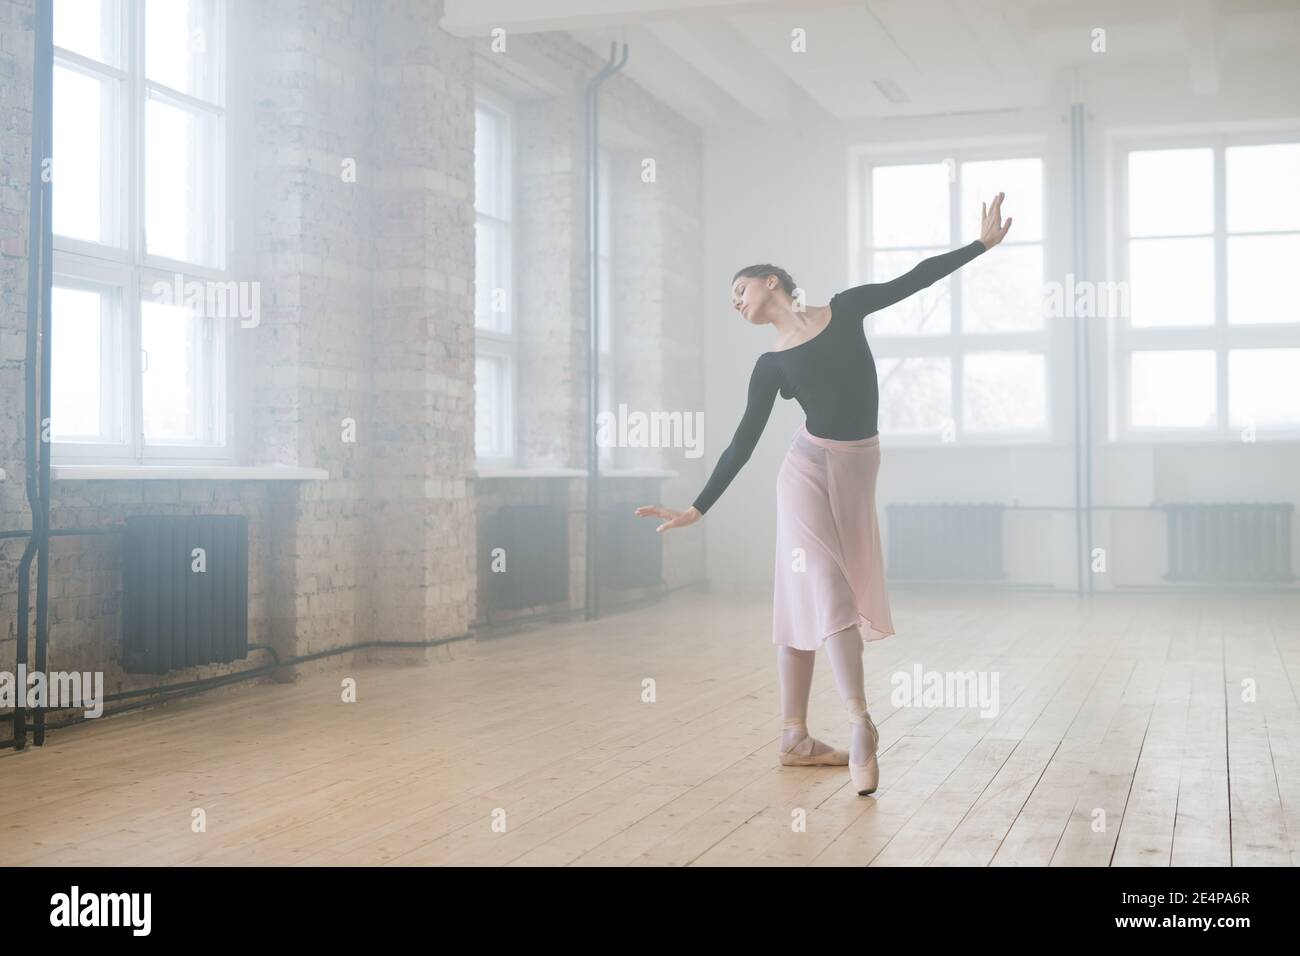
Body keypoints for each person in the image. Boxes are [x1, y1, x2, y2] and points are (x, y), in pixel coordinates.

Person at [635, 193, 1013, 795]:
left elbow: (913, 280)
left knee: (801, 596)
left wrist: (980, 247)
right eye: (731, 301)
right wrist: (696, 507)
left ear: (771, 281)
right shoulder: (770, 366)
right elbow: (741, 444)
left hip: (859, 468)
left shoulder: (847, 307)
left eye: (741, 290)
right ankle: (862, 722)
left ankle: (795, 738)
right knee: (827, 588)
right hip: (806, 470)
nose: (735, 303)